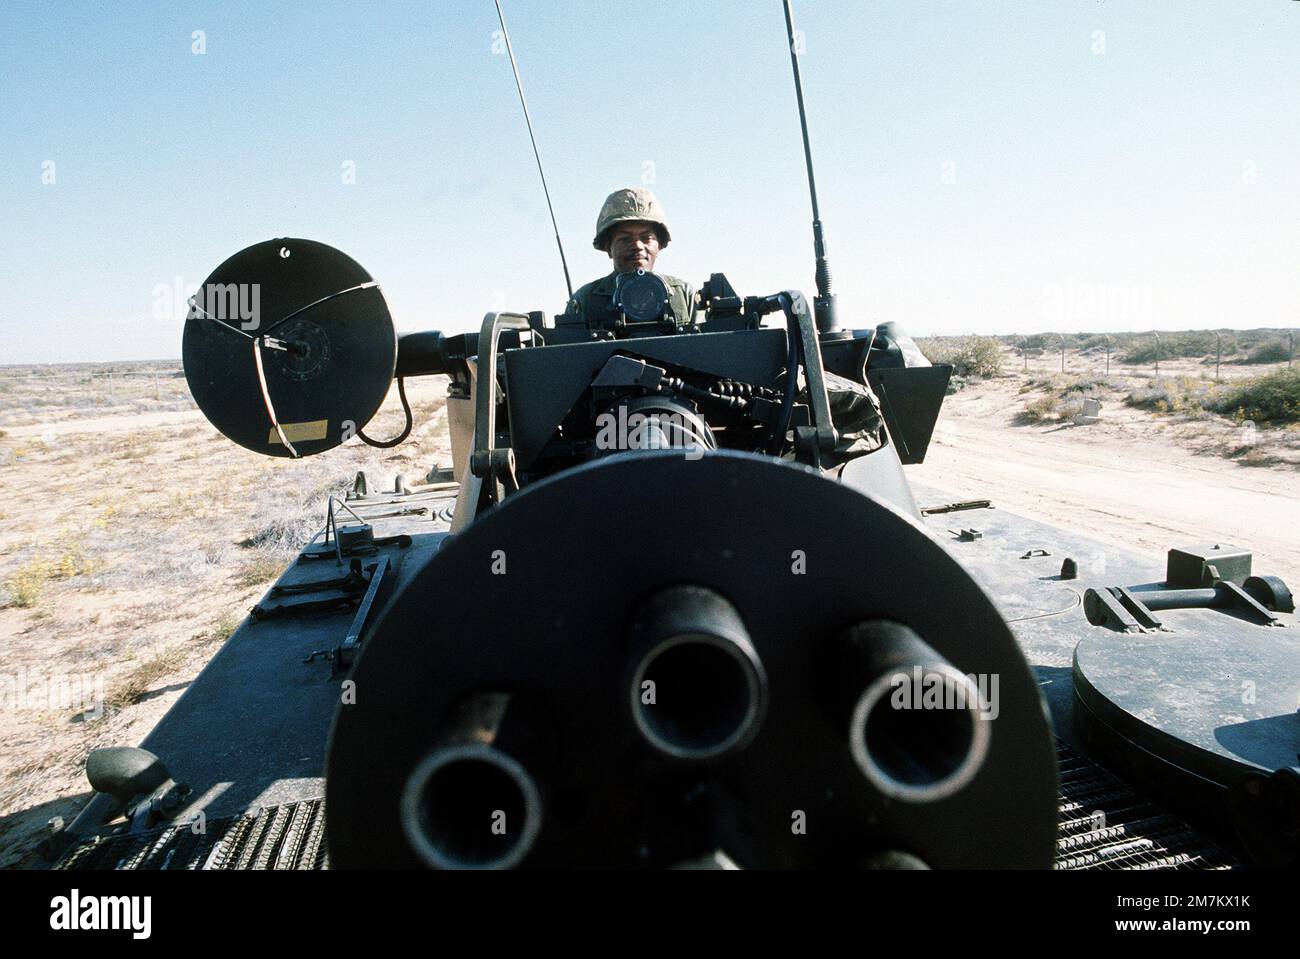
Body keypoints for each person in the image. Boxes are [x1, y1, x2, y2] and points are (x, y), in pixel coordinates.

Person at [565, 187, 697, 328]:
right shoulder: (584, 301)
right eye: (625, 239)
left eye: (647, 238)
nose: (638, 245)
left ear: (659, 245)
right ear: (609, 247)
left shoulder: (683, 295)